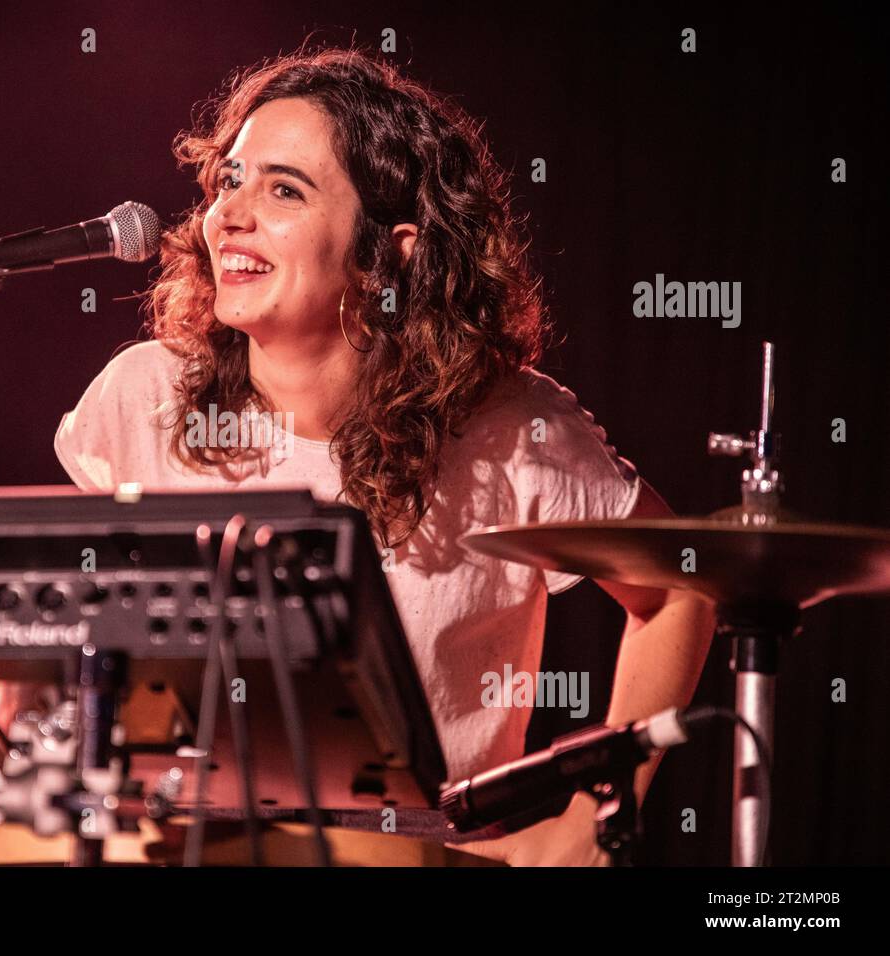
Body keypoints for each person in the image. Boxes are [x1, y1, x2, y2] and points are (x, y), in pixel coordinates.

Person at [54, 47, 716, 865]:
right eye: (229, 179)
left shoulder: (513, 424)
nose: (230, 213)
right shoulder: (141, 395)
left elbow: (679, 588)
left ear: (392, 251)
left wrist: (591, 822)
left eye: (284, 189)